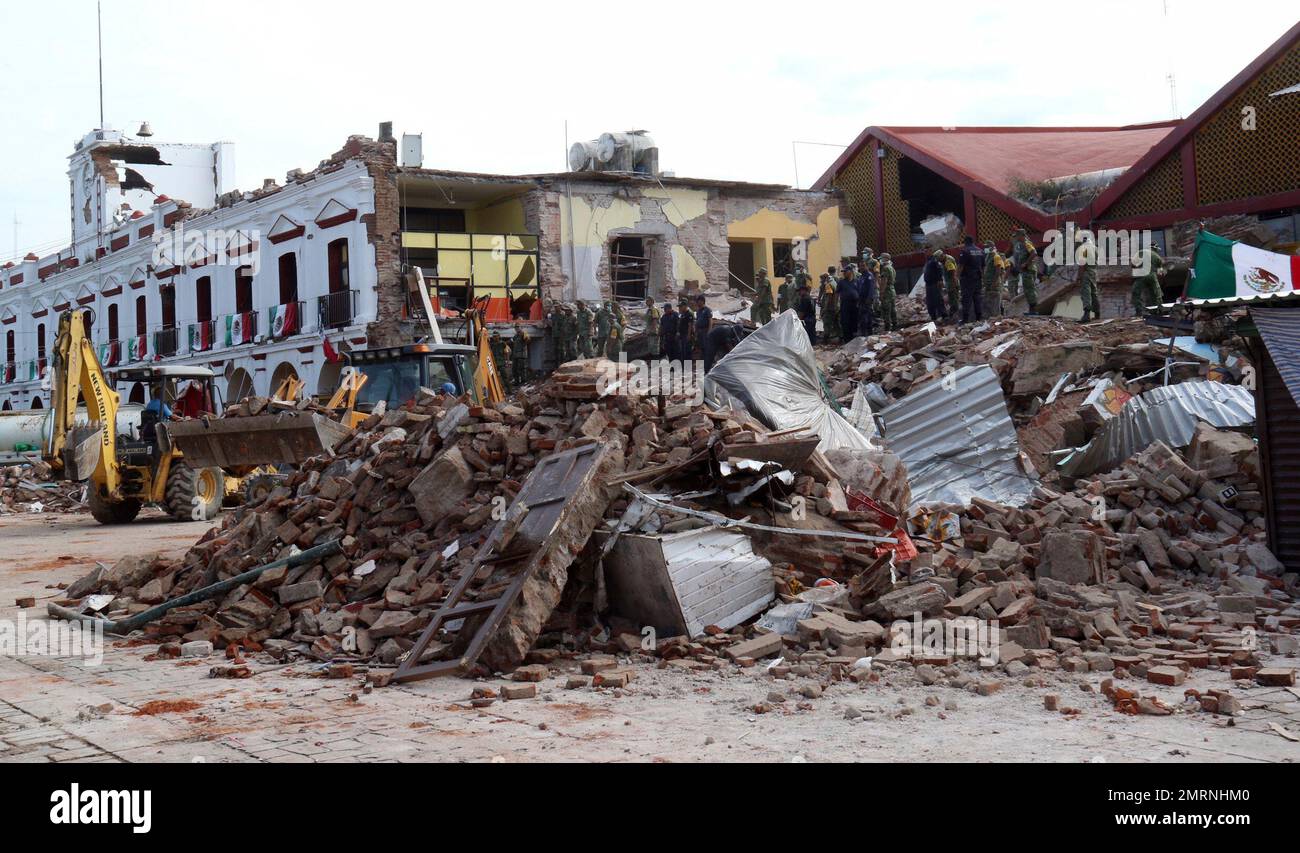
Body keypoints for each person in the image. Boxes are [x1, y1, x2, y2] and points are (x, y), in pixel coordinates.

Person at [1011, 228, 1040, 314]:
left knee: (1030, 289)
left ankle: (1033, 310)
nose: (1016, 238)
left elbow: (1034, 253)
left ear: (1022, 235)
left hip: (1028, 270)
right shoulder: (1021, 244)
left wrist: (1026, 263)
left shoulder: (1026, 243)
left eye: (1017, 236)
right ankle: (1032, 309)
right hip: (1026, 270)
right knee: (1028, 289)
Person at [957, 236, 985, 324]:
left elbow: (961, 266)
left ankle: (965, 319)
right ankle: (979, 318)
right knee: (977, 298)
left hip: (967, 279)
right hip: (978, 278)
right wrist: (982, 277)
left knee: (966, 299)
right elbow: (983, 266)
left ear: (965, 242)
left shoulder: (965, 251)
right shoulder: (980, 251)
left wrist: (957, 277)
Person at [1132, 248, 1165, 317]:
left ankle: (1139, 312)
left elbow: (1133, 263)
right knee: (1156, 293)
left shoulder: (1141, 251)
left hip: (1141, 275)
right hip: (1152, 276)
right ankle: (1159, 311)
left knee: (1136, 293)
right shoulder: (1157, 257)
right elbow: (1160, 272)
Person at [1077, 233, 1101, 323]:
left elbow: (1082, 263)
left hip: (1086, 272)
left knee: (1086, 292)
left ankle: (1086, 315)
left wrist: (1079, 276)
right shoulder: (1095, 248)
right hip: (1093, 272)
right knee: (1094, 293)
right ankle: (1097, 313)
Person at [837, 266, 860, 341]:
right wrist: (836, 305)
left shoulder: (857, 281)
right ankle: (847, 339)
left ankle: (854, 337)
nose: (844, 274)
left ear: (850, 272)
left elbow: (860, 292)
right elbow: (837, 294)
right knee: (845, 322)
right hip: (845, 305)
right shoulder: (841, 282)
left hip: (855, 305)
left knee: (854, 321)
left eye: (845, 272)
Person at [923, 251, 946, 323]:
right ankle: (933, 317)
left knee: (938, 300)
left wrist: (940, 280)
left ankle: (943, 316)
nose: (926, 252)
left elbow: (939, 270)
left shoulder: (934, 261)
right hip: (928, 285)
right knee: (930, 302)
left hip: (934, 284)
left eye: (927, 250)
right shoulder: (928, 262)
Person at [982, 241, 1003, 318]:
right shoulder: (988, 256)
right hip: (988, 283)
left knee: (995, 302)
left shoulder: (996, 256)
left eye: (987, 247)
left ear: (991, 247)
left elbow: (998, 270)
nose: (985, 248)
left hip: (994, 283)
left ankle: (997, 318)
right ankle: (991, 318)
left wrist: (994, 282)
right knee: (989, 302)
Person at [857, 260, 878, 337]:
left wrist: (869, 299)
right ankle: (865, 333)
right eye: (860, 266)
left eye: (863, 266)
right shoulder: (861, 276)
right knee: (863, 317)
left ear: (867, 266)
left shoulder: (869, 275)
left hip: (867, 300)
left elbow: (871, 288)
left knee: (866, 317)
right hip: (861, 300)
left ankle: (868, 333)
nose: (861, 267)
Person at [878, 253, 898, 332]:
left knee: (886, 310)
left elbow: (884, 281)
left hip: (887, 292)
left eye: (882, 258)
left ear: (886, 258)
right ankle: (895, 324)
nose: (880, 260)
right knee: (893, 309)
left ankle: (887, 327)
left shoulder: (885, 268)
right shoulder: (891, 268)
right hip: (892, 290)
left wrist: (881, 292)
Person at [818, 273, 840, 344]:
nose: (821, 281)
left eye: (821, 280)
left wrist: (825, 308)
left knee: (827, 323)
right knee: (836, 323)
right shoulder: (834, 282)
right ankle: (841, 338)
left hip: (830, 308)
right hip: (836, 307)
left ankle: (825, 340)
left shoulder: (828, 285)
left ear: (825, 278)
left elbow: (829, 297)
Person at [694, 295, 714, 366]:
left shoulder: (707, 310)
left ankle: (707, 363)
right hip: (700, 332)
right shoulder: (698, 311)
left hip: (705, 331)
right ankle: (702, 363)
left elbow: (710, 321)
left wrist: (709, 331)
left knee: (706, 347)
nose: (697, 303)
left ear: (702, 301)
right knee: (701, 347)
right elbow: (697, 322)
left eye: (698, 301)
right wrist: (696, 332)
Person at [942, 252, 960, 323]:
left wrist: (954, 284)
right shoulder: (947, 259)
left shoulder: (948, 261)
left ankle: (955, 318)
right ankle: (954, 316)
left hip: (952, 285)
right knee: (953, 300)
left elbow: (953, 272)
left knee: (954, 300)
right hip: (951, 284)